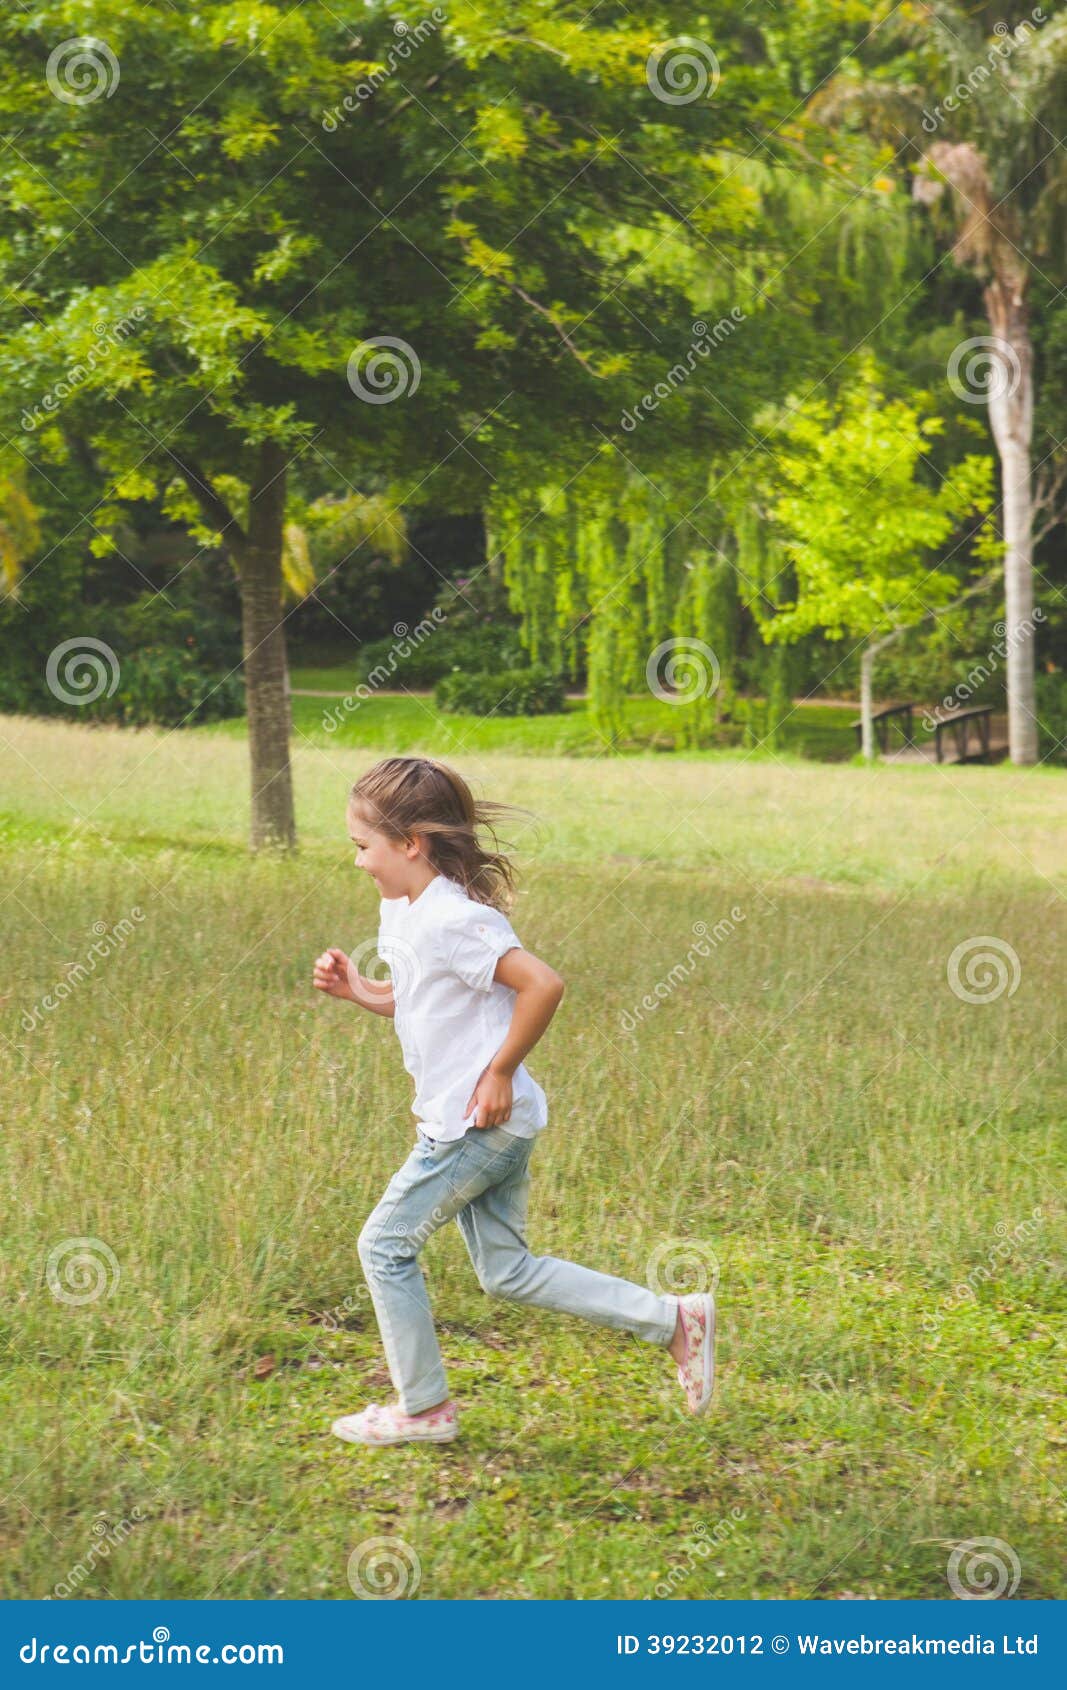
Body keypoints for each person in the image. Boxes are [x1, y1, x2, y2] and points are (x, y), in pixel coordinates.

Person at [313, 755, 714, 1446]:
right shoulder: (403, 910)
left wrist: (499, 1070)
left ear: (410, 844)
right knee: (506, 1271)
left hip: (475, 1126)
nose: (357, 863)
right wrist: (362, 992)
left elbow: (543, 985)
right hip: (489, 1122)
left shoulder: (453, 918)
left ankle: (424, 1409)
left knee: (383, 1247)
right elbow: (423, 1002)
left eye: (362, 847)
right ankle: (675, 1322)